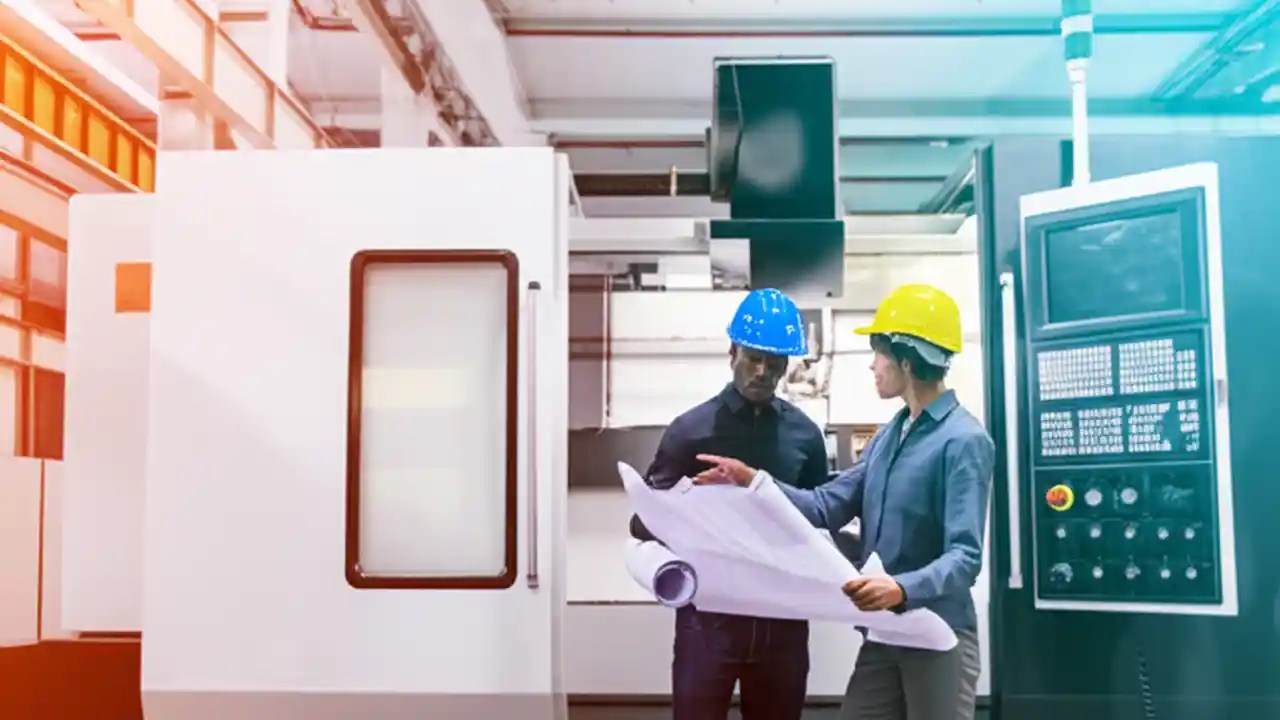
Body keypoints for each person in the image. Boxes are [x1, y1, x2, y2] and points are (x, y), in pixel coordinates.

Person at [694, 283, 994, 720]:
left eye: (878, 353)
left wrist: (901, 588)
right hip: (884, 632)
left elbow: (965, 558)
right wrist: (752, 481)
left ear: (906, 359)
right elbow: (827, 505)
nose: (872, 365)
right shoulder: (892, 434)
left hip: (936, 634)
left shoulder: (964, 440)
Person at [629, 287, 830, 720]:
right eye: (753, 357)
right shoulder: (690, 431)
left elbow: (821, 514)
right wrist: (697, 507)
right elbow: (643, 522)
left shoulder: (804, 436)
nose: (762, 371)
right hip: (708, 621)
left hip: (783, 621)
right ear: (731, 352)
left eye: (774, 363)